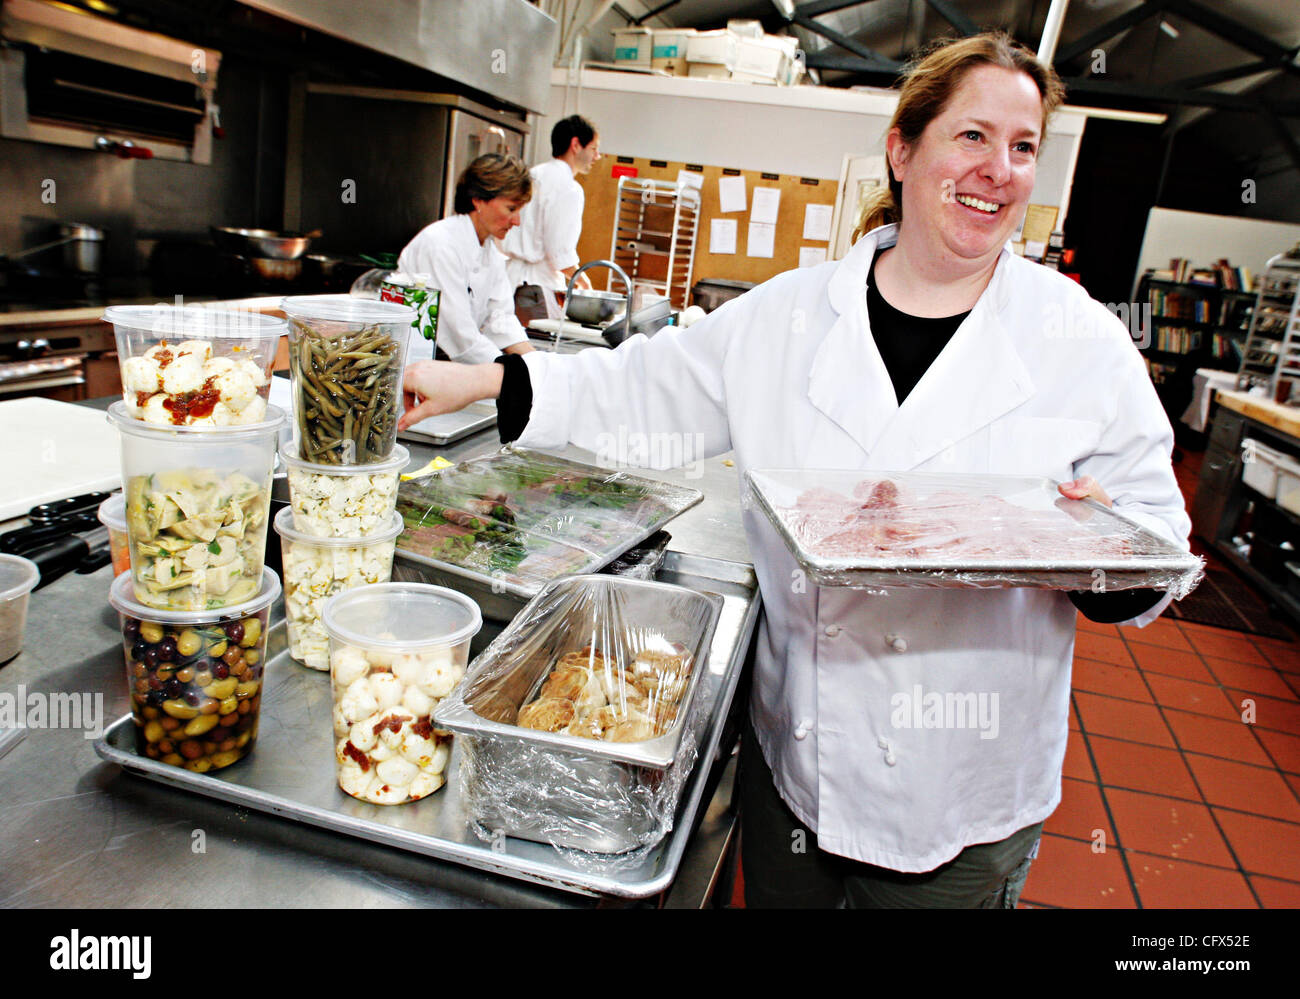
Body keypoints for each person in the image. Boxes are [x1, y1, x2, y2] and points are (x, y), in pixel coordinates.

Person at [398, 33, 1192, 907]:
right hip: (801, 770)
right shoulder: (784, 317)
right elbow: (633, 390)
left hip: (962, 791)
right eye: (972, 137)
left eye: (1023, 146)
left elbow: (1154, 534)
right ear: (903, 147)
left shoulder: (1078, 341)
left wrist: (1099, 545)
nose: (998, 168)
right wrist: (467, 379)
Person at [396, 153, 535, 364]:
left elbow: (500, 319)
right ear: (479, 200)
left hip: (448, 363)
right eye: (511, 209)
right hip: (415, 362)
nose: (516, 221)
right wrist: (518, 376)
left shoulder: (489, 249)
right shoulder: (440, 244)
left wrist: (536, 364)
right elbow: (461, 338)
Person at [501, 115, 601, 321]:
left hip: (508, 283)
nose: (597, 156)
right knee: (533, 350)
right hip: (535, 291)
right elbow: (560, 255)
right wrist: (584, 283)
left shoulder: (532, 174)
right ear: (575, 145)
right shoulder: (569, 188)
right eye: (593, 148)